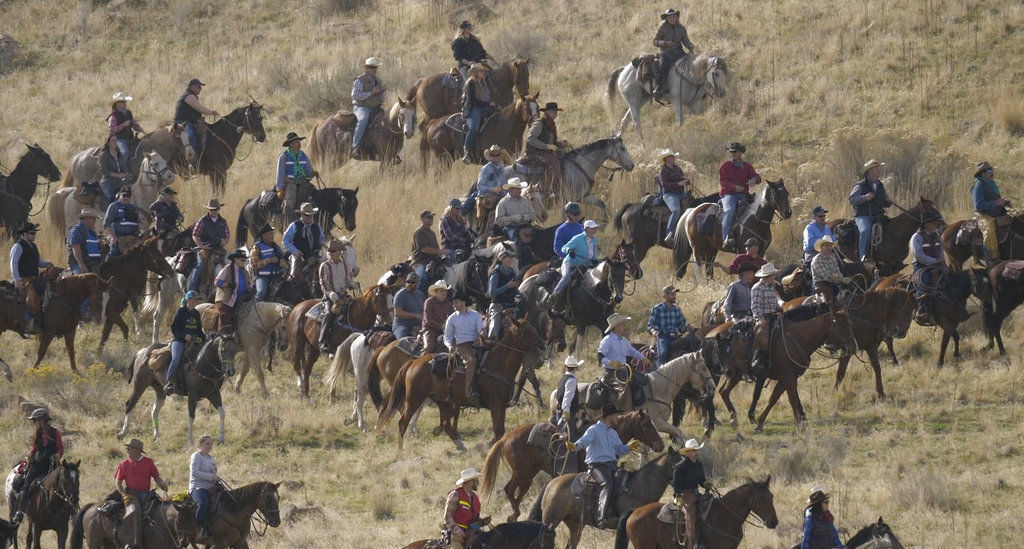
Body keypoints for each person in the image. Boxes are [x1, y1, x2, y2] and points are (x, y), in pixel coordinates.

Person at [565, 404, 642, 529]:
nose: (618, 417)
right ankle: (602, 517)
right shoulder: (594, 430)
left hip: (611, 465)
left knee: (625, 483)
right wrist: (575, 446)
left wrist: (628, 447)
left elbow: (618, 449)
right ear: (610, 416)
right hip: (596, 465)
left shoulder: (613, 433)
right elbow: (584, 441)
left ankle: (617, 513)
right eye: (616, 415)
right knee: (607, 484)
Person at [11, 408, 64, 524]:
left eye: (36, 421)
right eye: (35, 421)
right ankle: (21, 512)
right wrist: (30, 455)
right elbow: (34, 449)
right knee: (26, 484)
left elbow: (60, 449)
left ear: (43, 420)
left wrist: (57, 456)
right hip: (37, 465)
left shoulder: (55, 432)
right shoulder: (36, 434)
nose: (35, 423)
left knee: (64, 484)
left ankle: (71, 513)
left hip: (51, 464)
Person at [116, 438, 169, 549]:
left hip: (147, 494)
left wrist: (162, 485)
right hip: (131, 494)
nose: (127, 451)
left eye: (129, 449)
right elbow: (118, 482)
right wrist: (123, 495)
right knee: (135, 511)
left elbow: (157, 478)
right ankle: (135, 543)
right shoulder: (124, 464)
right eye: (127, 449)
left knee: (161, 509)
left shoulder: (149, 462)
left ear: (137, 450)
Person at [598, 313, 651, 406]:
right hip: (611, 374)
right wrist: (611, 363)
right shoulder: (607, 340)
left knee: (642, 381)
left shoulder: (623, 340)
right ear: (616, 326)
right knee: (625, 391)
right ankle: (626, 415)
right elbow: (600, 356)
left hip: (623, 371)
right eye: (622, 324)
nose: (623, 326)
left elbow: (632, 351)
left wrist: (643, 358)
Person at [550, 219, 600, 314]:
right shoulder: (578, 238)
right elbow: (564, 248)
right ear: (587, 229)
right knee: (566, 277)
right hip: (570, 263)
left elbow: (594, 254)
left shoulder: (594, 240)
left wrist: (595, 260)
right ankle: (554, 296)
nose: (595, 230)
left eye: (595, 228)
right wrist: (569, 251)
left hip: (584, 265)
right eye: (593, 228)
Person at [10, 222, 51, 334]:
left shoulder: (33, 246)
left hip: (35, 278)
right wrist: (17, 280)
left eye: (34, 233)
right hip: (23, 279)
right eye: (31, 233)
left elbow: (39, 262)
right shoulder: (18, 246)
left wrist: (48, 264)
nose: (34, 235)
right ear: (24, 234)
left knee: (50, 289)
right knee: (31, 295)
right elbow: (13, 264)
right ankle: (29, 323)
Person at [444, 293, 484, 406]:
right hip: (461, 345)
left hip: (476, 343)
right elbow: (447, 336)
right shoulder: (452, 318)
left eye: (456, 302)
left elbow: (480, 330)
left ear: (463, 302)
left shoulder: (475, 315)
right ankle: (468, 392)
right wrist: (449, 346)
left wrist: (482, 334)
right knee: (471, 360)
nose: (454, 304)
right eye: (453, 302)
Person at [718, 143, 761, 248]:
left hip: (743, 195)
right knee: (729, 211)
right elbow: (723, 182)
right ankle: (724, 239)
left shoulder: (747, 166)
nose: (732, 154)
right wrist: (735, 187)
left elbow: (758, 178)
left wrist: (754, 180)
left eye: (734, 152)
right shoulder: (725, 166)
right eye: (731, 152)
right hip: (728, 194)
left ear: (740, 153)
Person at [848, 159, 891, 261]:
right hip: (863, 215)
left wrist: (888, 202)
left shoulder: (881, 186)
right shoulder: (860, 186)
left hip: (879, 215)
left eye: (878, 169)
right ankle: (862, 256)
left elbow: (885, 202)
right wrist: (864, 198)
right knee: (865, 230)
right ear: (870, 171)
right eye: (876, 169)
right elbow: (851, 200)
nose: (878, 171)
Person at [672, 438, 712, 549]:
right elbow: (676, 483)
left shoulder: (699, 465)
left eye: (697, 450)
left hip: (696, 493)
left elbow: (701, 480)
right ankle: (692, 543)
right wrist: (678, 496)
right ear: (688, 452)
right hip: (685, 495)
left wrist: (705, 484)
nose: (696, 452)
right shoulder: (681, 466)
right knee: (691, 512)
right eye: (694, 450)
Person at [318, 239, 355, 354]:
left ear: (340, 252)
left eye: (333, 251)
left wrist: (352, 285)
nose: (330, 253)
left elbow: (348, 280)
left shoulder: (345, 265)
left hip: (343, 295)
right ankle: (322, 340)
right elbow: (323, 283)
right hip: (331, 297)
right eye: (329, 251)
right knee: (329, 313)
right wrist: (330, 293)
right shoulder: (324, 266)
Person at [164, 290, 204, 394]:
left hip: (193, 342)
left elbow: (199, 330)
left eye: (196, 300)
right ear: (188, 300)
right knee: (176, 358)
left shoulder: (196, 313)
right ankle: (168, 382)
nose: (196, 301)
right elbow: (174, 328)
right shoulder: (181, 311)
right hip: (179, 341)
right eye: (194, 299)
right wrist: (184, 336)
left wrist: (206, 338)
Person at [276, 132, 319, 226]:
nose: (299, 143)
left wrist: (313, 173)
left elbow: (308, 171)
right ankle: (287, 223)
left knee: (316, 196)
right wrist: (279, 188)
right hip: (290, 184)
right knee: (289, 202)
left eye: (299, 141)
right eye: (296, 142)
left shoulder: (304, 155)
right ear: (291, 144)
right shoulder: (283, 157)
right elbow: (280, 174)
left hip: (304, 183)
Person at [173, 78, 219, 165]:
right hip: (182, 123)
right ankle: (191, 161)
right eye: (199, 87)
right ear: (193, 87)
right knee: (191, 136)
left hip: (189, 122)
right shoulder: (189, 96)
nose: (200, 89)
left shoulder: (190, 96)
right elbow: (200, 108)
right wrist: (211, 112)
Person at [910, 213, 947, 321]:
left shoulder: (936, 235)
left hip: (937, 264)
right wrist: (934, 261)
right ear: (926, 224)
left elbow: (940, 250)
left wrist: (940, 259)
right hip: (922, 266)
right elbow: (919, 255)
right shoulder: (916, 237)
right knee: (924, 283)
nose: (936, 225)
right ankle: (920, 309)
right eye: (934, 223)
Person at [188, 199, 230, 292]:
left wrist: (224, 242)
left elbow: (227, 236)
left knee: (231, 262)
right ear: (208, 210)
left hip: (218, 248)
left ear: (218, 209)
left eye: (215, 209)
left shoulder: (223, 221)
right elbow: (195, 235)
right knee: (200, 266)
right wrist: (201, 246)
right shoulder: (202, 220)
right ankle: (191, 291)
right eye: (211, 209)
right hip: (205, 248)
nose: (213, 211)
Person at [652, 8, 695, 99]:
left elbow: (686, 41)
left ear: (676, 17)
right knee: (663, 67)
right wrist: (665, 43)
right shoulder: (662, 28)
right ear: (666, 18)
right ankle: (658, 88)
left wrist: (690, 46)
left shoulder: (682, 29)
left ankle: (693, 87)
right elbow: (655, 41)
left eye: (673, 17)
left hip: (679, 53)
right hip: (665, 53)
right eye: (670, 17)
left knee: (691, 64)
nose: (672, 19)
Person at [648, 285, 694, 366]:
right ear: (665, 296)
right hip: (663, 337)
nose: (674, 296)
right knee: (663, 353)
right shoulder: (658, 308)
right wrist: (654, 331)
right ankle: (659, 371)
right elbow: (651, 325)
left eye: (674, 294)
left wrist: (687, 328)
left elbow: (681, 328)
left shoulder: (677, 310)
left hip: (675, 337)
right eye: (672, 294)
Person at [971, 161, 1008, 264]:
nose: (992, 173)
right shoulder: (978, 186)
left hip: (998, 214)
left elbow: (995, 201)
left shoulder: (991, 184)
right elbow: (978, 206)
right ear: (983, 174)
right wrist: (995, 203)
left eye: (992, 170)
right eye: (989, 171)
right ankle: (990, 259)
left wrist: (1004, 203)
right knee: (989, 230)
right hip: (984, 215)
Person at [750, 263, 783, 377]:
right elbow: (755, 306)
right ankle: (758, 360)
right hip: (763, 317)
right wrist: (760, 318)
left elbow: (774, 303)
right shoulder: (757, 288)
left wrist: (779, 308)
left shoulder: (771, 287)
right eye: (773, 275)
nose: (774, 276)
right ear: (768, 276)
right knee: (763, 336)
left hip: (774, 315)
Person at [444, 468, 489, 549]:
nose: (478, 483)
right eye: (476, 480)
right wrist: (456, 529)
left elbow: (474, 518)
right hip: (456, 535)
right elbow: (448, 517)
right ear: (470, 482)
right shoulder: (455, 495)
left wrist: (481, 521)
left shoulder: (474, 497)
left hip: (472, 533)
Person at [461, 63, 496, 163]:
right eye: (481, 71)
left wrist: (491, 104)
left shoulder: (483, 82)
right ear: (476, 72)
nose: (483, 73)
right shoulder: (471, 83)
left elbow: (486, 97)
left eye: (483, 71)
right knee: (473, 128)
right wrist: (488, 104)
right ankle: (467, 151)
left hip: (484, 107)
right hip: (473, 109)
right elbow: (474, 101)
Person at [351, 57, 386, 157]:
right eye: (371, 67)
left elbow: (380, 97)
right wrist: (371, 93)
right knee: (362, 121)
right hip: (362, 107)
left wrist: (380, 93)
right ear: (366, 68)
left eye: (375, 67)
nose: (374, 69)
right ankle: (355, 146)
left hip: (376, 107)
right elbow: (355, 95)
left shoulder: (378, 81)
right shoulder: (359, 80)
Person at [283, 202, 326, 281]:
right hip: (298, 256)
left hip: (314, 255)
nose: (309, 217)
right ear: (301, 215)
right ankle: (289, 287)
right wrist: (295, 251)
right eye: (307, 215)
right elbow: (286, 241)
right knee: (294, 275)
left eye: (311, 215)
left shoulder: (316, 226)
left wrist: (323, 243)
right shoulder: (294, 225)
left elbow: (322, 238)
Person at [657, 149, 692, 246]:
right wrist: (679, 183)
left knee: (694, 205)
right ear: (665, 159)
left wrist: (686, 179)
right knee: (676, 210)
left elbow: (681, 176)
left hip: (681, 193)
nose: (672, 158)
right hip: (669, 194)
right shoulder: (662, 170)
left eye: (672, 156)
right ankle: (669, 233)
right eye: (670, 156)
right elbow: (664, 184)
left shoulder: (677, 168)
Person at [189, 435, 220, 542]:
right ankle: (198, 529)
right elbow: (194, 472)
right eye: (207, 444)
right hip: (198, 487)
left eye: (211, 444)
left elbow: (213, 472)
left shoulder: (211, 458)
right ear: (201, 444)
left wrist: (215, 478)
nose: (209, 446)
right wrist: (211, 477)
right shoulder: (196, 456)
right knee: (203, 503)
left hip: (210, 487)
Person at [213, 249, 251, 336]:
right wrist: (227, 284)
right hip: (227, 299)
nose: (244, 262)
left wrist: (250, 288)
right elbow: (216, 282)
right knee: (226, 320)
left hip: (242, 299)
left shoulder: (245, 271)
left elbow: (250, 283)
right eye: (242, 260)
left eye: (245, 260)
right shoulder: (226, 269)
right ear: (236, 259)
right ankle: (222, 336)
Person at [525, 102, 564, 188]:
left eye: (556, 112)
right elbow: (530, 139)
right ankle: (547, 188)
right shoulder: (539, 123)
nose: (556, 114)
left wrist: (560, 145)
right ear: (547, 112)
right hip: (534, 153)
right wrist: (546, 146)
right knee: (553, 162)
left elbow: (551, 141)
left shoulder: (550, 124)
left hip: (544, 153)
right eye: (554, 112)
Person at [486, 249, 520, 341]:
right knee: (495, 327)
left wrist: (519, 299)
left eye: (511, 258)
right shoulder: (496, 273)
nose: (511, 260)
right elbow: (491, 293)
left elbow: (516, 291)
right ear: (502, 259)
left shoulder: (512, 272)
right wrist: (507, 286)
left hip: (511, 306)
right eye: (509, 257)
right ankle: (491, 343)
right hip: (498, 306)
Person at [810, 236, 849, 309]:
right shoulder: (817, 260)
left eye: (830, 245)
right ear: (822, 247)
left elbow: (837, 271)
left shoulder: (832, 258)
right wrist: (841, 279)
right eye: (827, 245)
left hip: (833, 285)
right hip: (821, 285)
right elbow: (825, 276)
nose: (829, 247)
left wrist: (842, 278)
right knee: (826, 305)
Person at [411, 210, 445, 292]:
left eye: (432, 217)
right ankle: (417, 296)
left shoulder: (432, 233)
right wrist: (440, 251)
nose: (431, 219)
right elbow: (424, 249)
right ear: (422, 219)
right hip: (420, 262)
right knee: (423, 278)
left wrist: (441, 255)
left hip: (432, 261)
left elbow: (436, 249)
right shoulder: (419, 232)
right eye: (429, 217)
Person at [250, 225, 286, 302]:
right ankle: (252, 308)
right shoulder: (256, 247)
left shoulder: (276, 246)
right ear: (264, 235)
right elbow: (254, 264)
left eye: (272, 233)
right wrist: (269, 260)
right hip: (263, 277)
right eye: (270, 233)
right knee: (261, 293)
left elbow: (283, 259)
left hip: (277, 276)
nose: (272, 235)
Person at [104, 186, 142, 257]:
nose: (126, 198)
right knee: (113, 254)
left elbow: (138, 221)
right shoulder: (114, 206)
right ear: (119, 195)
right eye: (124, 195)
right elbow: (107, 224)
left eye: (128, 196)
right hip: (118, 238)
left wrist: (139, 225)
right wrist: (113, 236)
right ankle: (105, 267)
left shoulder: (133, 207)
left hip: (133, 238)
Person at [554, 355, 584, 441]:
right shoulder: (572, 380)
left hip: (560, 412)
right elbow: (567, 397)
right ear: (575, 368)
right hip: (567, 414)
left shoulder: (564, 378)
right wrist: (566, 412)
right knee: (571, 439)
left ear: (566, 367)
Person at [108, 92, 144, 158]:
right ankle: (122, 168)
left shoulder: (128, 113)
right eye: (122, 102)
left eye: (124, 101)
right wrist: (123, 125)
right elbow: (112, 130)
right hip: (119, 139)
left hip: (130, 138)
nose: (125, 103)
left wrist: (139, 128)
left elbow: (133, 123)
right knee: (124, 153)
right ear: (117, 104)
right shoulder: (113, 116)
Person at [67, 208, 104, 274]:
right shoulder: (77, 230)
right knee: (81, 280)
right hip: (79, 264)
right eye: (94, 219)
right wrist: (82, 265)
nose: (95, 222)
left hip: (93, 264)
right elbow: (75, 247)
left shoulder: (92, 232)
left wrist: (100, 245)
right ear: (87, 219)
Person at [422, 281, 455, 354]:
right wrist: (441, 326)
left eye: (446, 291)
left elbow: (453, 318)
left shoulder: (449, 304)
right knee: (428, 347)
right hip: (430, 330)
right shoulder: (429, 302)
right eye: (442, 291)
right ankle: (421, 362)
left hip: (446, 331)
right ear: (436, 292)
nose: (444, 293)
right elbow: (428, 320)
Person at [99, 134, 131, 205]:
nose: (115, 142)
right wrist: (117, 175)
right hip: (107, 182)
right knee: (113, 200)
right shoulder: (104, 155)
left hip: (119, 182)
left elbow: (123, 167)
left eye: (116, 140)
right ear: (108, 143)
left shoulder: (119, 154)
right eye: (113, 140)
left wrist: (126, 174)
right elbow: (104, 171)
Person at [393, 272, 426, 340]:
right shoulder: (400, 294)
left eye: (412, 282)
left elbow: (423, 311)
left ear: (417, 284)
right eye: (408, 282)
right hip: (402, 325)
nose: (409, 284)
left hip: (418, 325)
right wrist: (415, 315)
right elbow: (398, 313)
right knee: (402, 342)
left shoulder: (420, 295)